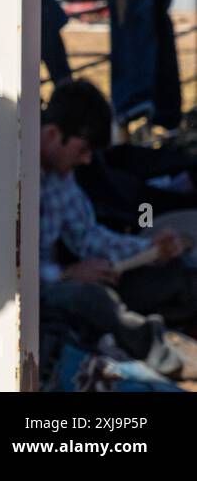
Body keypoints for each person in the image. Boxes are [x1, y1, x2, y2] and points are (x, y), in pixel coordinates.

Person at [39, 80, 196, 328]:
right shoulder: (5, 181)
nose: (88, 160)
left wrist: (148, 249)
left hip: (138, 217)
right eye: (83, 150)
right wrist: (64, 276)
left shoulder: (60, 178)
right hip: (33, 299)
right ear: (52, 135)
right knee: (97, 302)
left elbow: (87, 236)